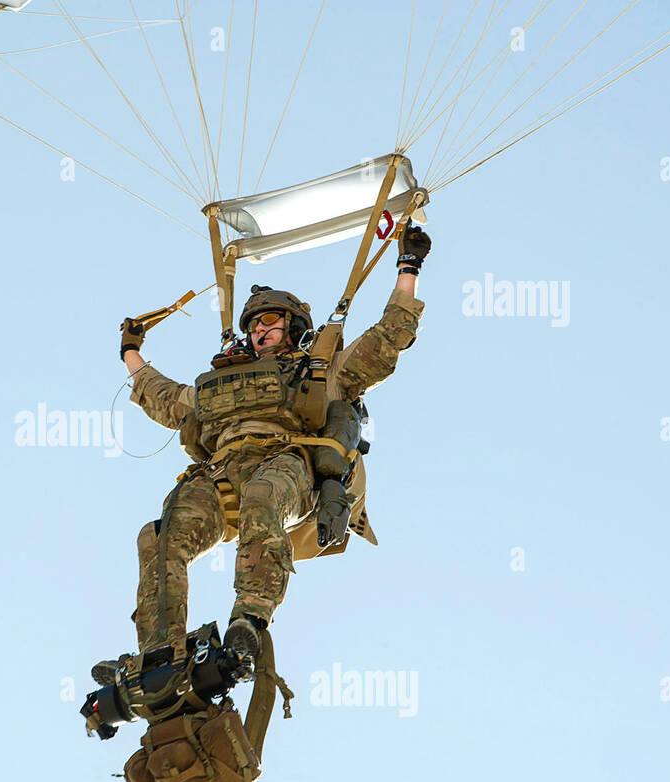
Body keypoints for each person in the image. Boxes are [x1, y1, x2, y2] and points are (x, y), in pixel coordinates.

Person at [96, 226, 432, 682]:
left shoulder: (318, 370)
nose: (259, 330)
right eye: (254, 324)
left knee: (261, 494)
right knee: (158, 535)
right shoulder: (214, 387)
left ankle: (249, 620)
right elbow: (163, 396)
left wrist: (407, 266)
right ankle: (159, 655)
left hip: (286, 462)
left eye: (270, 321)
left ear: (292, 327)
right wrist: (130, 350)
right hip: (219, 472)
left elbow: (386, 338)